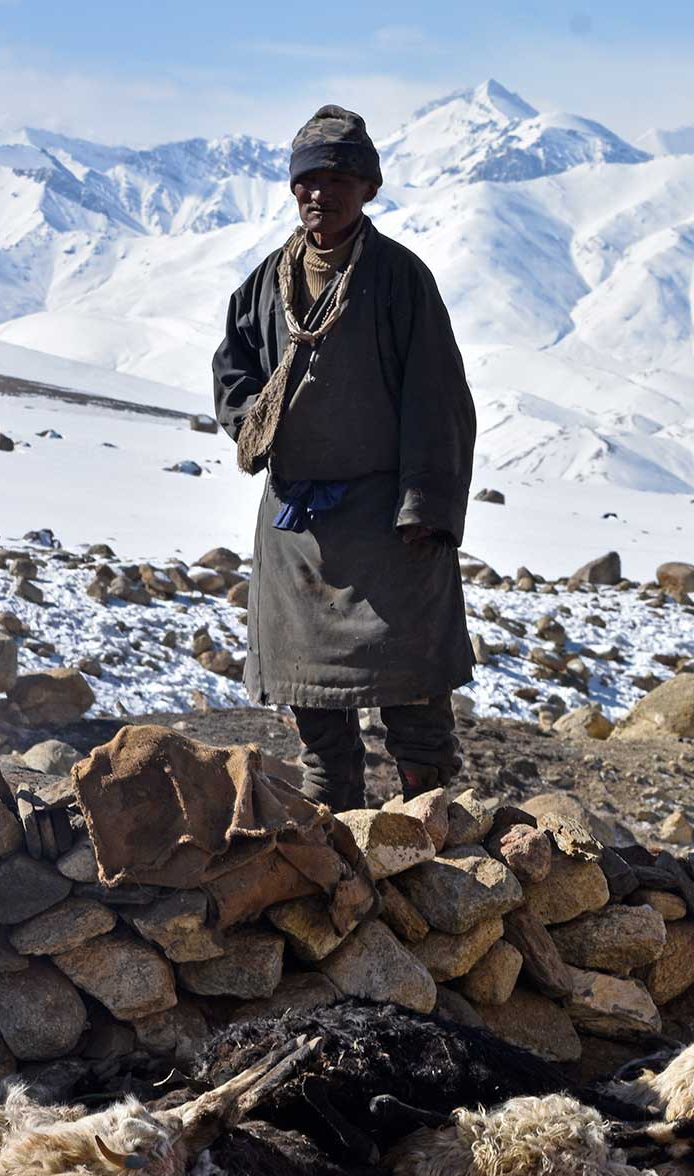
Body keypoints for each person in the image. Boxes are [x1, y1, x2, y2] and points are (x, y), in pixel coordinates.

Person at [213, 104, 476, 811]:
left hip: (391, 528)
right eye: (306, 182)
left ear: (368, 188)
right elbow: (232, 373)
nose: (318, 195)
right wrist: (253, 425)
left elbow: (438, 398)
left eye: (338, 179)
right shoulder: (268, 282)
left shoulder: (398, 279)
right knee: (318, 723)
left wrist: (426, 508)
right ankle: (338, 848)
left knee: (416, 700)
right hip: (298, 530)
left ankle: (434, 848)